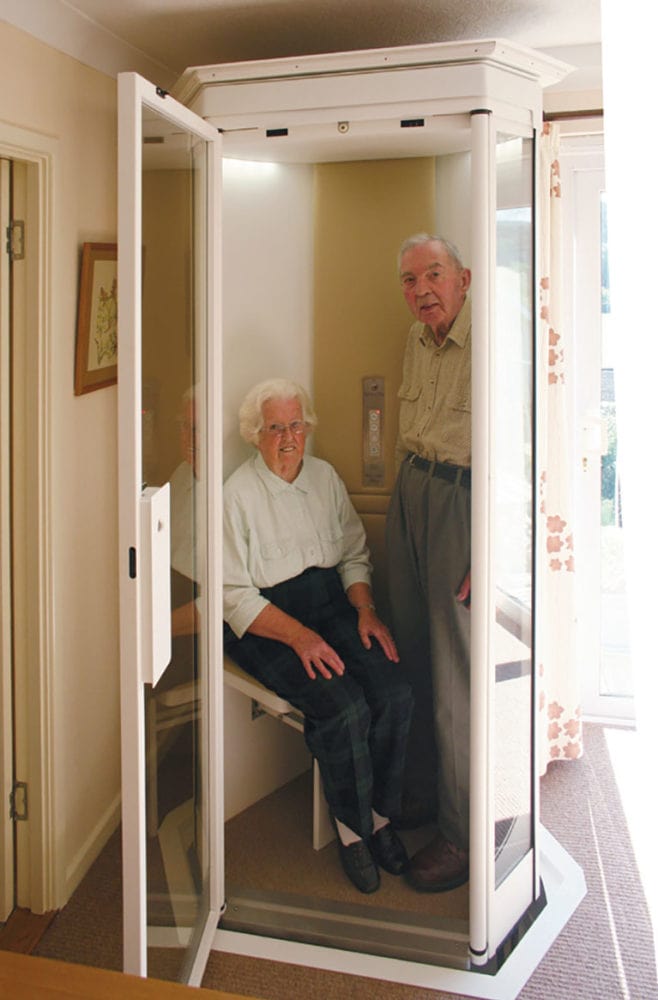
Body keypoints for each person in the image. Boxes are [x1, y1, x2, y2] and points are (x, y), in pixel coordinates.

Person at [223, 378, 413, 894]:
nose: (288, 438)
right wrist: (300, 637)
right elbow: (233, 594)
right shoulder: (236, 495)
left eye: (296, 425)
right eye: (275, 428)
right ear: (254, 435)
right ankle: (352, 831)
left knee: (395, 692)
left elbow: (352, 553)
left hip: (333, 602)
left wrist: (366, 612)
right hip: (268, 621)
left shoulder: (325, 478)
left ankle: (380, 817)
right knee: (344, 707)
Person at [386, 234, 472, 893]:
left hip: (461, 506)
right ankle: (420, 794)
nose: (422, 290)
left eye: (434, 274)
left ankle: (461, 831)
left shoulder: (494, 344)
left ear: (463, 277)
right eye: (411, 280)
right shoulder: (416, 340)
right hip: (411, 492)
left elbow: (522, 453)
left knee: (455, 680)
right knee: (411, 655)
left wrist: (492, 545)